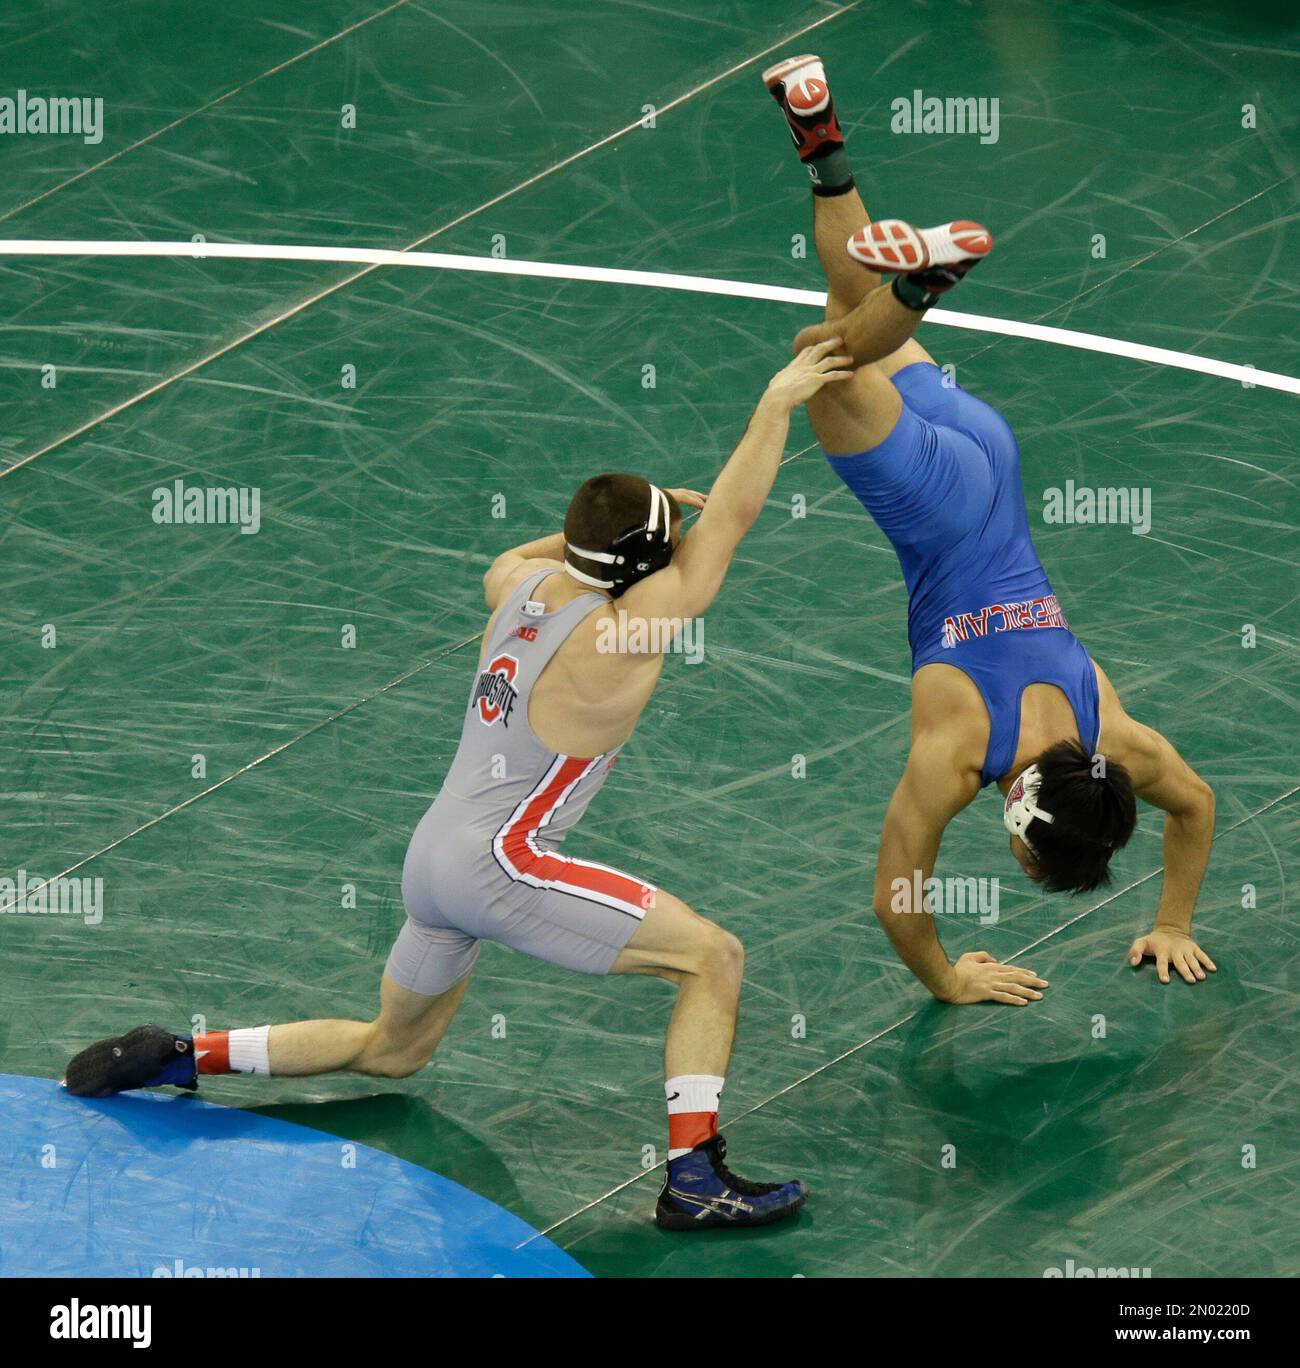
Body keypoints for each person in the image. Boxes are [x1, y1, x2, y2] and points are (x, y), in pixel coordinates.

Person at [64, 338, 854, 1230]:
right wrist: (776, 403)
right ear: (645, 564)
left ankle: (181, 1056)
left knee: (391, 1050)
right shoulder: (625, 634)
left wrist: (627, 525)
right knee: (713, 957)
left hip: (432, 859)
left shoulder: (521, 587)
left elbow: (542, 550)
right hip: (500, 864)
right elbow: (733, 521)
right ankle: (694, 1179)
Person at [761, 54, 1217, 1005]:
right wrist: (946, 982)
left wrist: (1174, 917)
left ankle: (822, 139)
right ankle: (926, 283)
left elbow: (1198, 805)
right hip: (924, 496)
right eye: (1027, 859)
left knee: (851, 311)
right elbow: (897, 897)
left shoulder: (1115, 739)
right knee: (821, 355)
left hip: (989, 457)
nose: (1018, 862)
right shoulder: (959, 749)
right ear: (1022, 812)